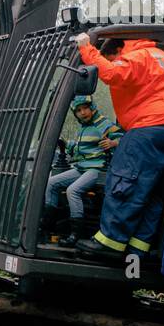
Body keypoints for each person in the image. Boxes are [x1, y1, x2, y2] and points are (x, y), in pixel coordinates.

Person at [69, 33, 164, 260]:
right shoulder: (163, 57)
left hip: (151, 126)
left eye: (110, 57)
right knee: (153, 191)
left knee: (123, 179)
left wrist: (87, 49)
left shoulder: (136, 56)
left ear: (116, 51)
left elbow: (112, 73)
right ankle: (138, 247)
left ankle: (110, 242)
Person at [46, 95, 123, 246]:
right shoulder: (83, 128)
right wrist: (64, 143)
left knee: (72, 190)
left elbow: (126, 139)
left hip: (97, 169)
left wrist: (113, 142)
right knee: (51, 183)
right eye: (78, 110)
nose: (83, 112)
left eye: (85, 108)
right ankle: (48, 225)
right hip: (82, 167)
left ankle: (75, 233)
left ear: (92, 107)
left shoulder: (103, 123)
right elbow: (79, 150)